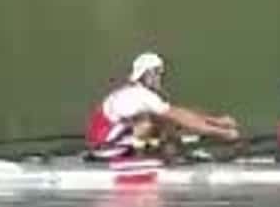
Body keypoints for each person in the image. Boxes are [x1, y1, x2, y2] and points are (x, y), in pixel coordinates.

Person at [86, 52, 240, 161]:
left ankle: (165, 148)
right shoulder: (138, 95)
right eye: (157, 74)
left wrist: (216, 120)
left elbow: (179, 112)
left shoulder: (136, 92)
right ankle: (150, 156)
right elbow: (179, 117)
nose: (160, 78)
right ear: (146, 75)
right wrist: (219, 132)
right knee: (155, 123)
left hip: (107, 142)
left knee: (166, 119)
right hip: (106, 149)